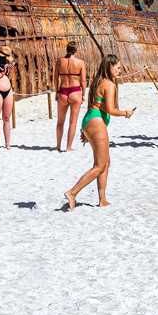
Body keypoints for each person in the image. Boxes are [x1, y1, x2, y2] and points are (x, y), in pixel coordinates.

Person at [62, 54, 133, 210]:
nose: (120, 70)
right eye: (118, 67)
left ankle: (102, 199)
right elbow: (110, 110)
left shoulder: (97, 82)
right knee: (99, 166)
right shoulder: (108, 84)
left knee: (105, 162)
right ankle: (72, 192)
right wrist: (125, 113)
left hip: (89, 120)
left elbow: (93, 105)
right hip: (95, 122)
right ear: (110, 67)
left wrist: (84, 129)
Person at [53, 41, 86, 150]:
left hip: (63, 91)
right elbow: (83, 80)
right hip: (75, 91)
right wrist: (84, 94)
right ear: (76, 51)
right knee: (73, 122)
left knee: (60, 122)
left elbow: (55, 79)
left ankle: (58, 146)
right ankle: (68, 147)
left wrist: (56, 92)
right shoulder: (80, 62)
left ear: (67, 49)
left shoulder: (60, 61)